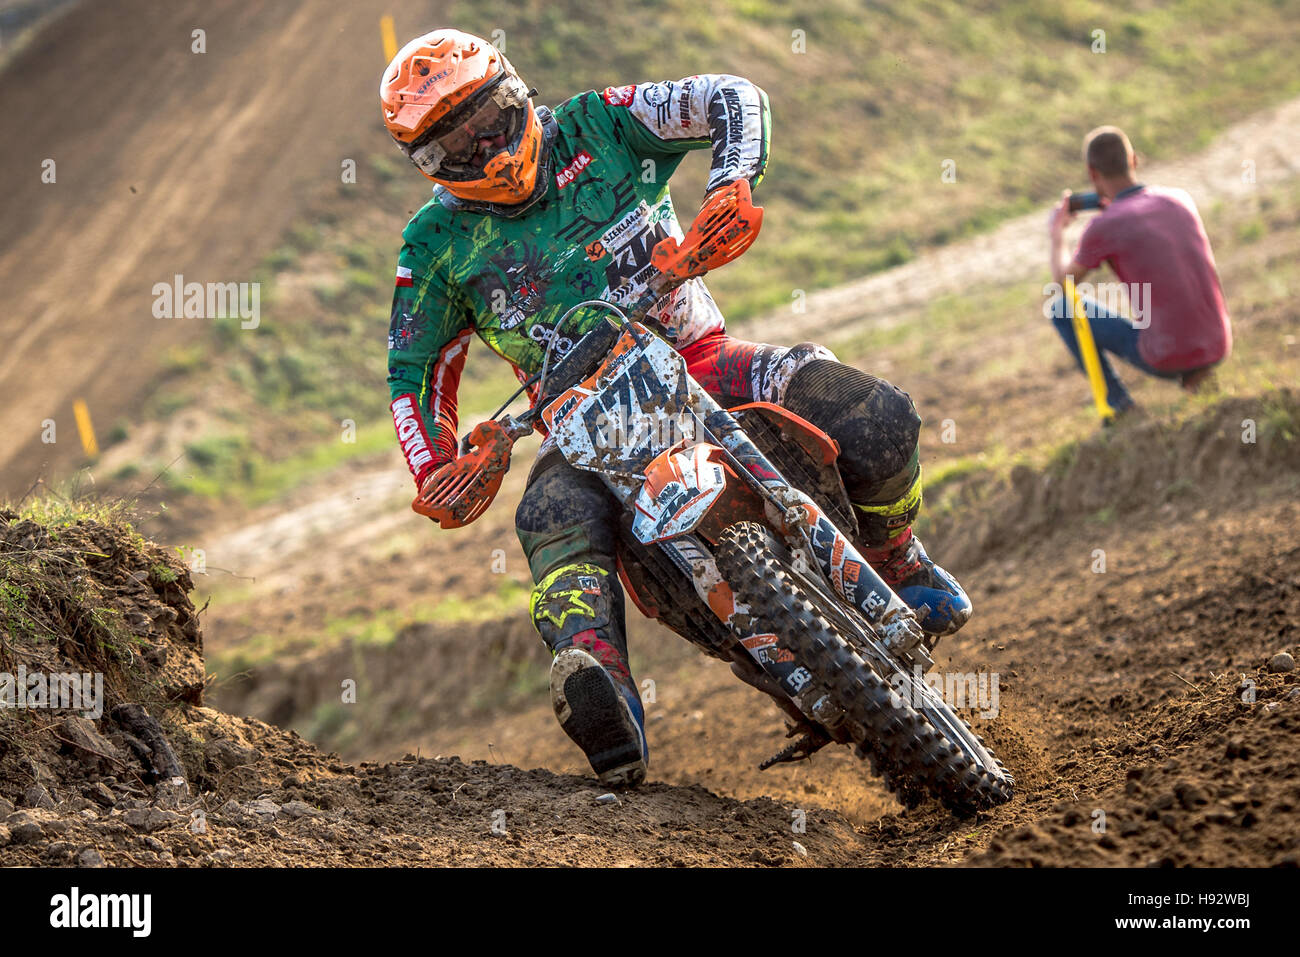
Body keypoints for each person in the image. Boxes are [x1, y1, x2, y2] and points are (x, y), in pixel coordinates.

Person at [380, 29, 970, 786]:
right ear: (428, 166)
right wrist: (441, 463)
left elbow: (734, 97)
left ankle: (897, 557)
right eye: (456, 152)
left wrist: (731, 182)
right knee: (549, 517)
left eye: (493, 123)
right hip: (580, 419)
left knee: (877, 413)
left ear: (519, 93)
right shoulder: (432, 245)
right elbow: (413, 368)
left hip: (700, 357)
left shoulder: (598, 123)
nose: (490, 154)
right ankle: (600, 685)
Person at [1047, 125, 1232, 415]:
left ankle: (1121, 409)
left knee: (1060, 309)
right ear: (1133, 160)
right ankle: (1201, 379)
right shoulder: (1179, 199)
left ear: (1092, 173)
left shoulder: (1104, 227)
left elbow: (1062, 284)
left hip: (1167, 356)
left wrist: (1057, 234)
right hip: (1218, 344)